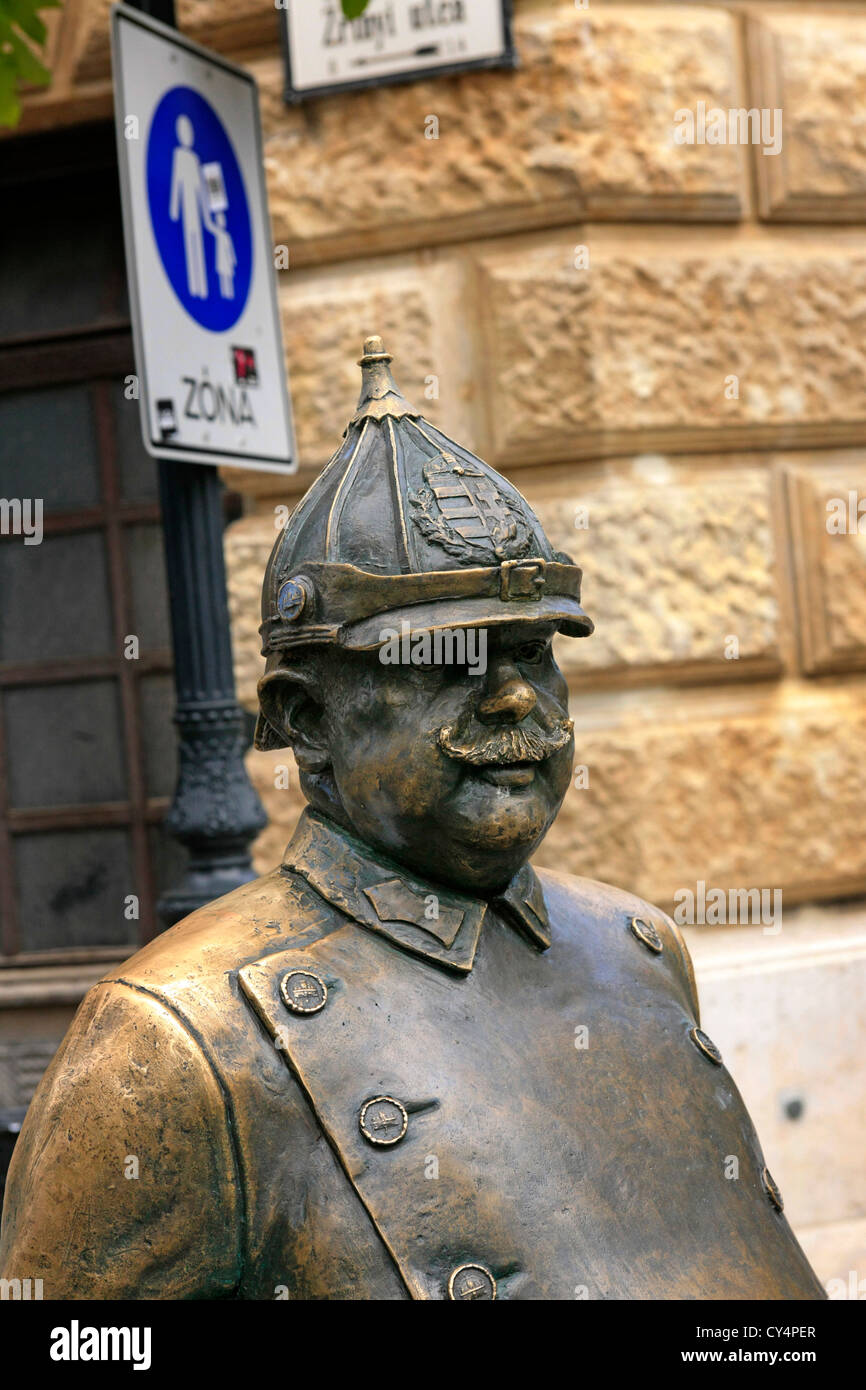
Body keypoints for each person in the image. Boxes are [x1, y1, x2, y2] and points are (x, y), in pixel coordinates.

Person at [0, 339, 826, 1300]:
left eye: (533, 653)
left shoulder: (639, 950)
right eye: (446, 662)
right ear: (308, 718)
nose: (518, 701)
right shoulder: (177, 1042)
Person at [168, 114, 210, 299]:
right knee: (189, 241)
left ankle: (202, 286)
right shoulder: (179, 156)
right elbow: (176, 182)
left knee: (198, 243)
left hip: (196, 207)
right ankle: (194, 287)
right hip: (186, 207)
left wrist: (206, 213)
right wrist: (174, 209)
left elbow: (201, 187)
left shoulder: (194, 158)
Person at [213, 210, 236, 299]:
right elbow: (209, 226)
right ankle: (225, 293)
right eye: (219, 220)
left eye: (222, 220)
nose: (222, 222)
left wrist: (233, 260)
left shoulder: (226, 236)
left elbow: (230, 249)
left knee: (228, 276)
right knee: (223, 277)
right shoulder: (219, 234)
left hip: (227, 259)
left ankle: (229, 294)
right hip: (221, 259)